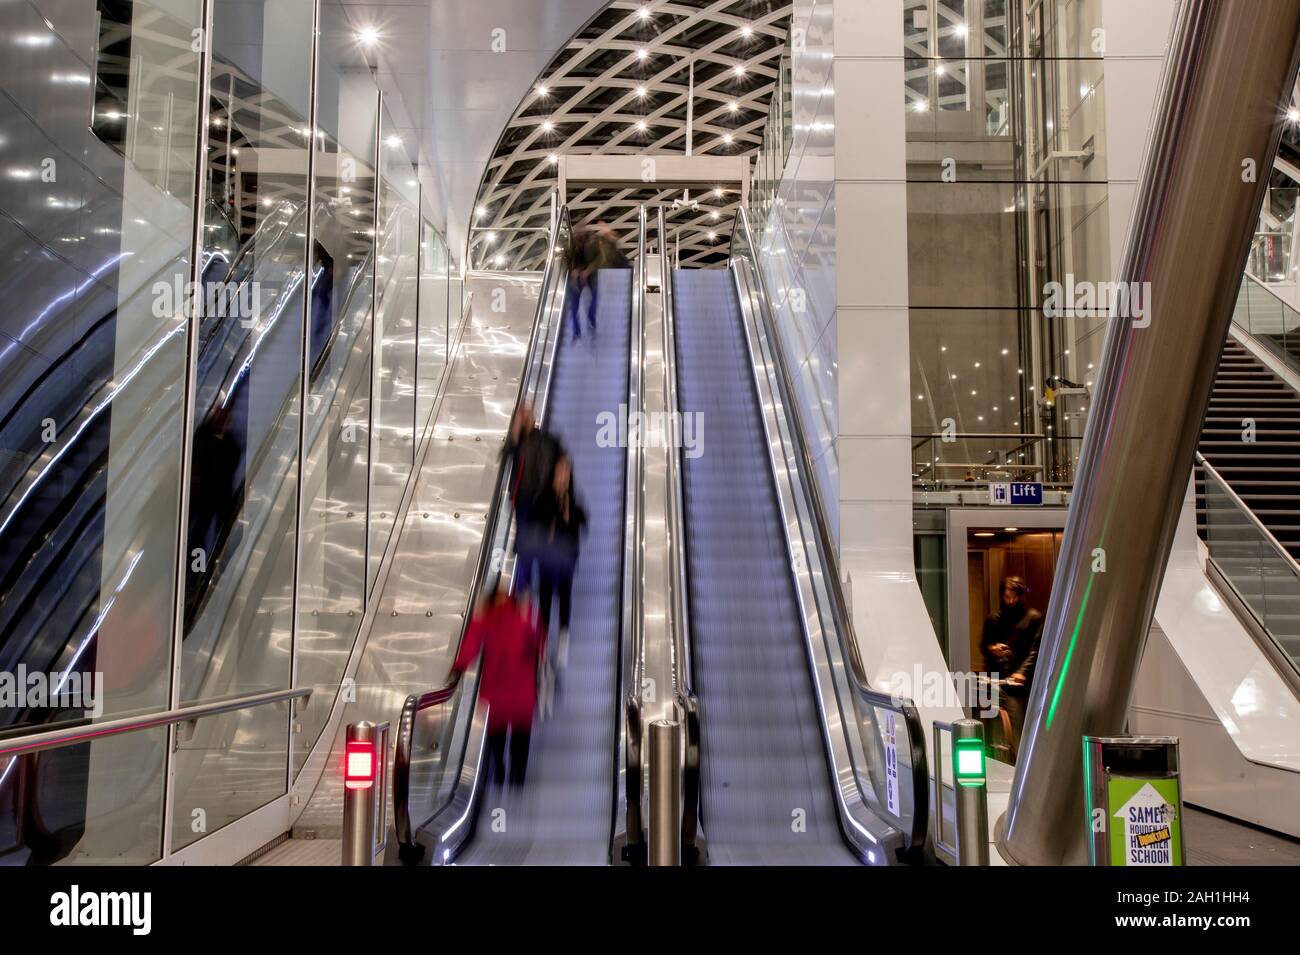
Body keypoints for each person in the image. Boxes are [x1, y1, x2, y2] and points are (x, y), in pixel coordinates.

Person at [451, 582, 546, 787]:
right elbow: (540, 644)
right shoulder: (523, 614)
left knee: (498, 734)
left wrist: (458, 668)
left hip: (497, 687)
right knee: (519, 736)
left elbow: (471, 647)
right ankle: (515, 776)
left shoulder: (486, 617)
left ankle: (503, 772)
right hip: (521, 688)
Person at [527, 454, 587, 667]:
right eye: (560, 470)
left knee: (564, 596)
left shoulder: (572, 499)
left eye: (566, 471)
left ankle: (563, 638)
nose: (563, 474)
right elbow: (535, 519)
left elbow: (582, 522)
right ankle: (542, 643)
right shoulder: (544, 497)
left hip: (566, 558)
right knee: (544, 598)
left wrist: (570, 517)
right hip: (546, 557)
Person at [979, 576, 1043, 759]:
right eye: (1007, 597)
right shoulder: (993, 619)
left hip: (1017, 684)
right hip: (994, 678)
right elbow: (984, 645)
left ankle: (1018, 762)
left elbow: (1035, 650)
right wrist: (993, 649)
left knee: (1017, 727)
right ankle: (990, 758)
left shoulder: (1033, 618)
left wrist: (1022, 673)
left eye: (1015, 597)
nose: (1011, 601)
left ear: (1022, 597)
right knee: (988, 722)